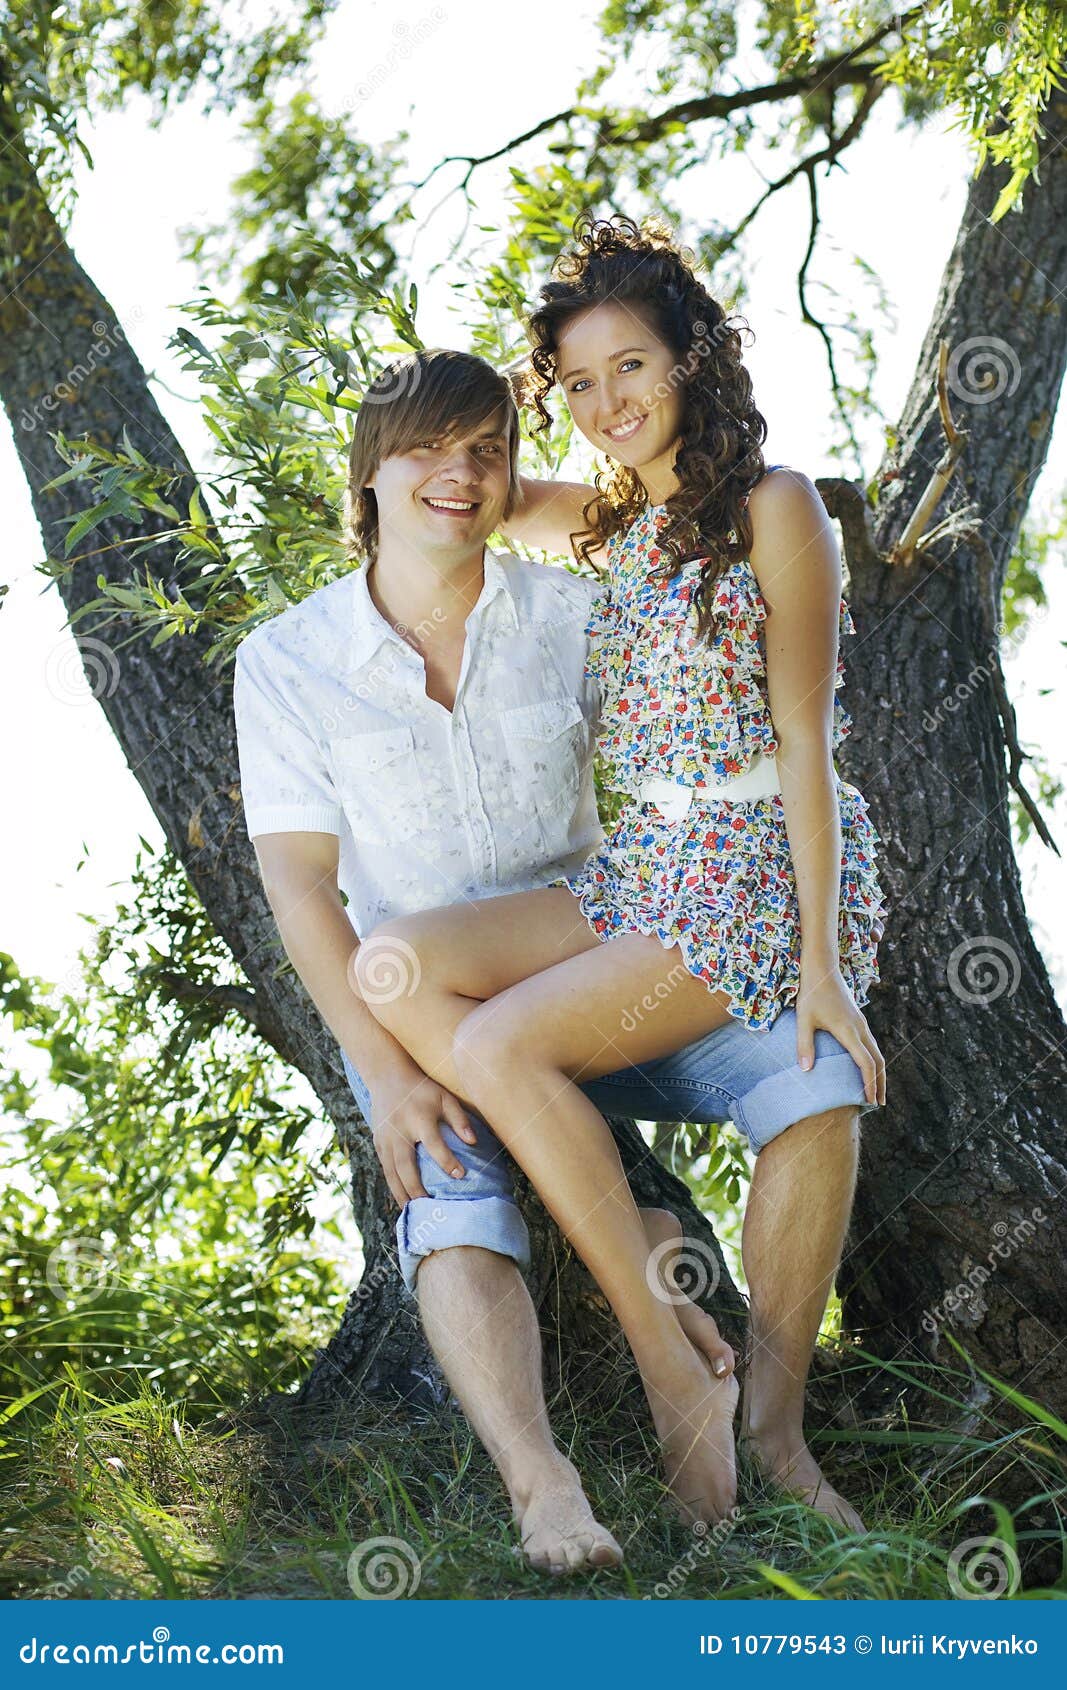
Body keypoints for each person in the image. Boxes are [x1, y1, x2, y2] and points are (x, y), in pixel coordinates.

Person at [232, 327, 882, 1575]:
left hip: (616, 937)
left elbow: (698, 616)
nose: (458, 474)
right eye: (422, 450)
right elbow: (301, 890)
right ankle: (547, 1487)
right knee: (447, 1173)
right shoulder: (289, 661)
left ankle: (769, 1425)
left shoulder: (579, 599)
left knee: (815, 1088)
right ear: (362, 469)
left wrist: (816, 949)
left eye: (485, 450)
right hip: (436, 999)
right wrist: (387, 1078)